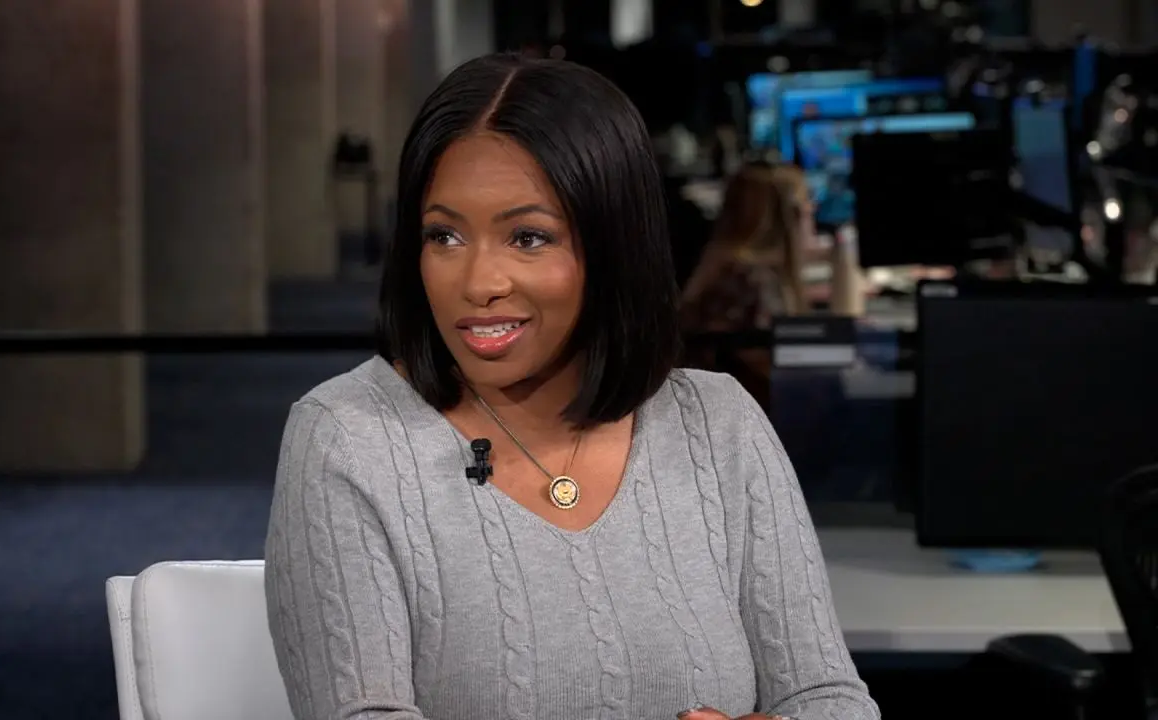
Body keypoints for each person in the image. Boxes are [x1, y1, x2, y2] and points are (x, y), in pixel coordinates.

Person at [264, 53, 880, 720]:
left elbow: (827, 697)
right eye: (444, 236)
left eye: (528, 238)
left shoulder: (719, 423)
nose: (477, 283)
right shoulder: (348, 439)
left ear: (614, 246)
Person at [678, 160, 864, 403]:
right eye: (808, 207)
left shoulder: (731, 269)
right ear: (792, 217)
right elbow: (832, 359)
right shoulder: (754, 282)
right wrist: (845, 255)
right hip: (752, 416)